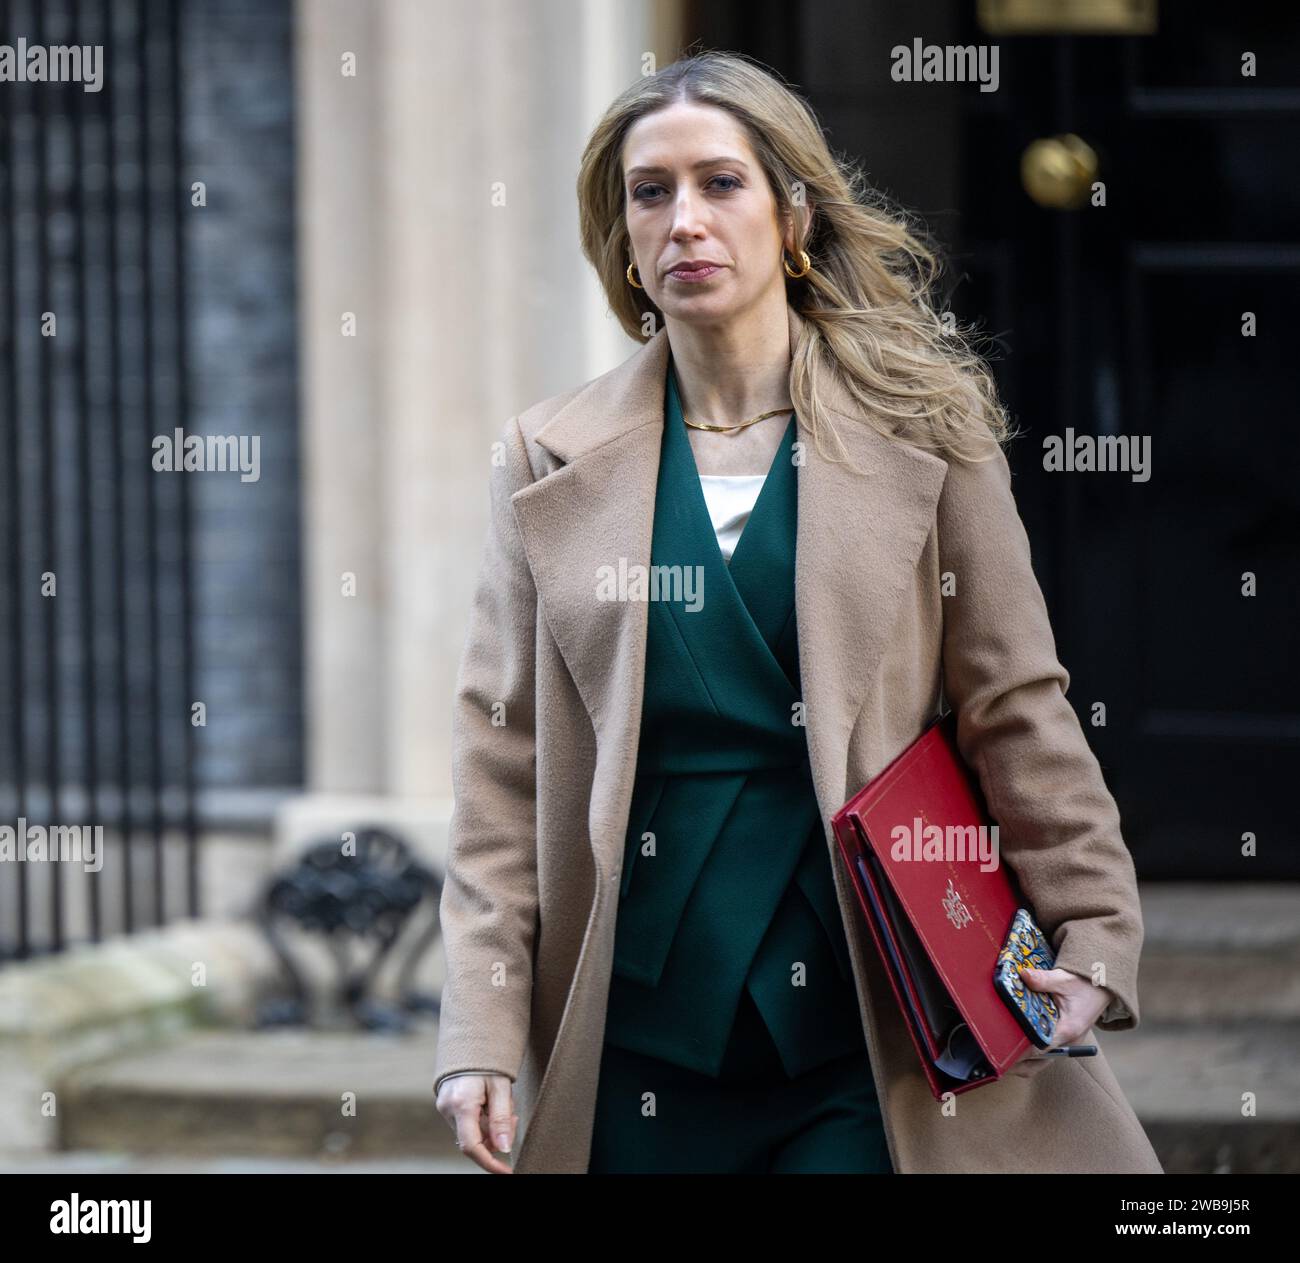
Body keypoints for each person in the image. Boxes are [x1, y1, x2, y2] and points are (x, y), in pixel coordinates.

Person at [434, 50, 1162, 1176]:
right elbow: (500, 769)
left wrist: (1093, 927)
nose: (683, 220)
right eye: (650, 191)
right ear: (622, 233)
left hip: (869, 1021)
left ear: (794, 214)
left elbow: (1015, 705)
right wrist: (478, 1033)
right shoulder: (546, 458)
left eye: (720, 183)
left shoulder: (926, 432)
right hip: (636, 1032)